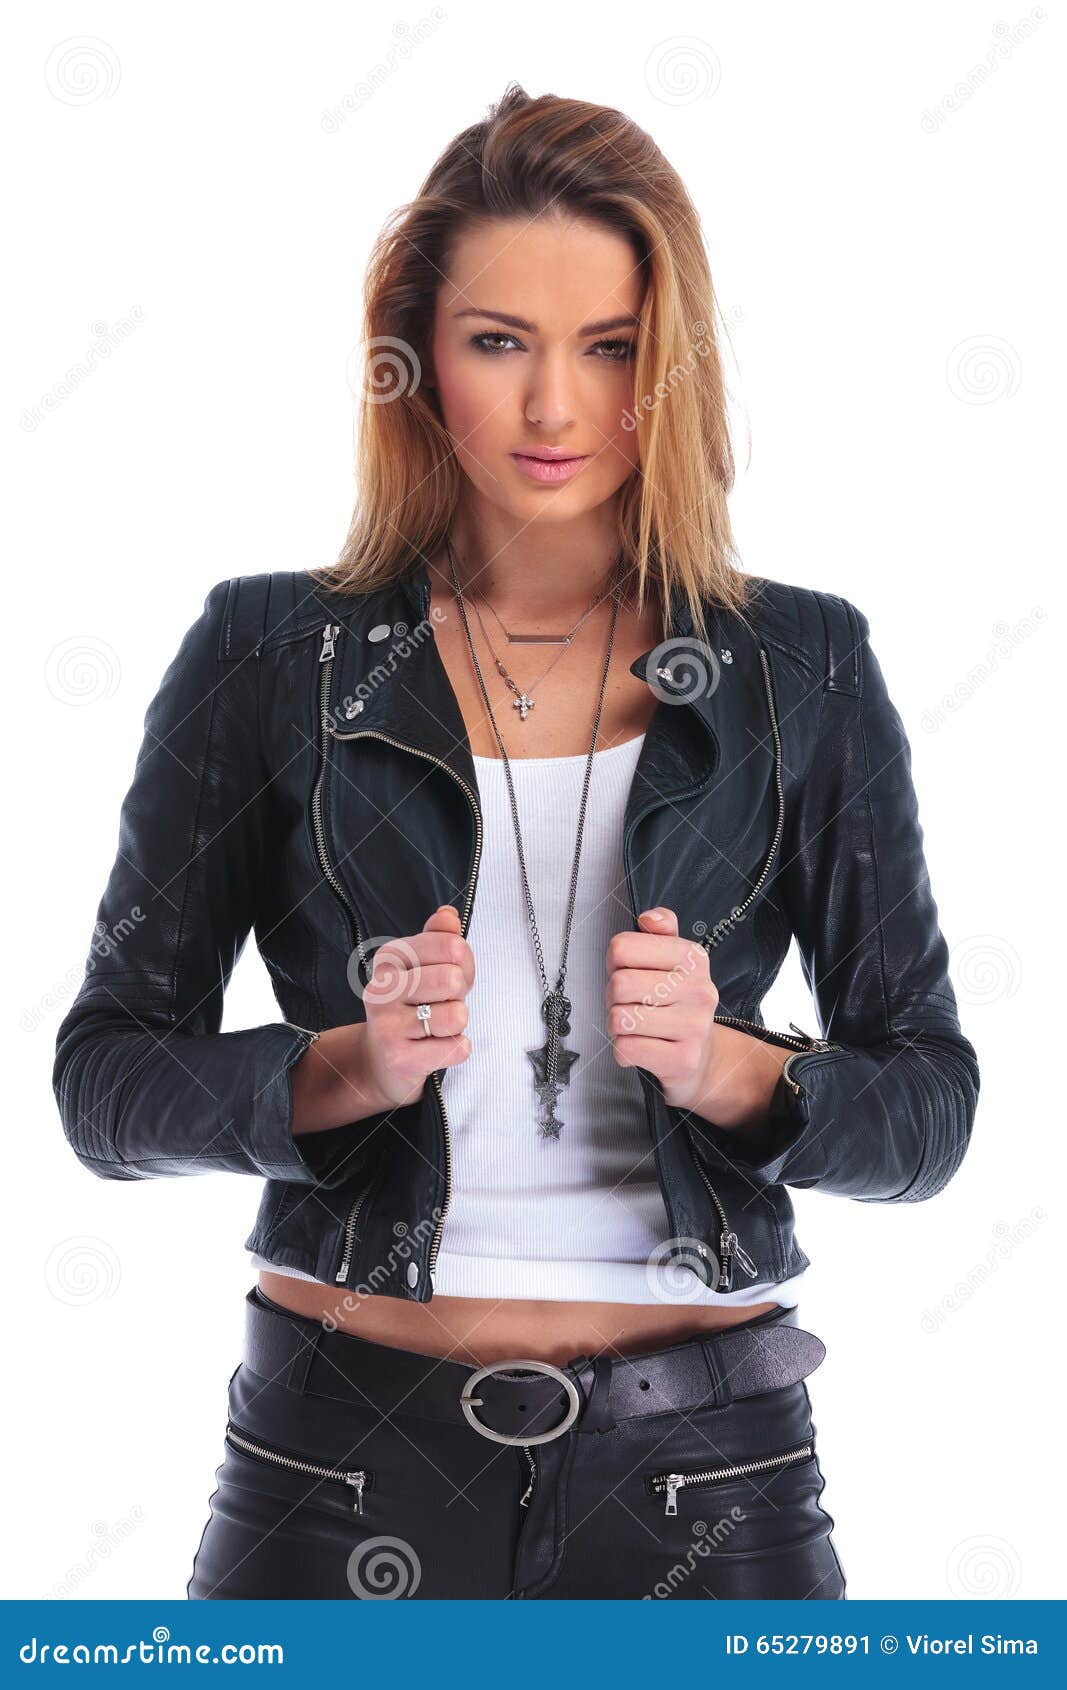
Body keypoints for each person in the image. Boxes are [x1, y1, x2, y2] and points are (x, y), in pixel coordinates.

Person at [53, 83, 979, 1601]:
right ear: (415, 361)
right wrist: (338, 1068)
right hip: (332, 1467)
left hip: (712, 1486)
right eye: (499, 343)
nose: (556, 410)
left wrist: (737, 1069)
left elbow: (932, 1104)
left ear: (667, 367)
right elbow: (102, 1081)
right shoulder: (267, 655)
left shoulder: (799, 669)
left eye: (609, 349)